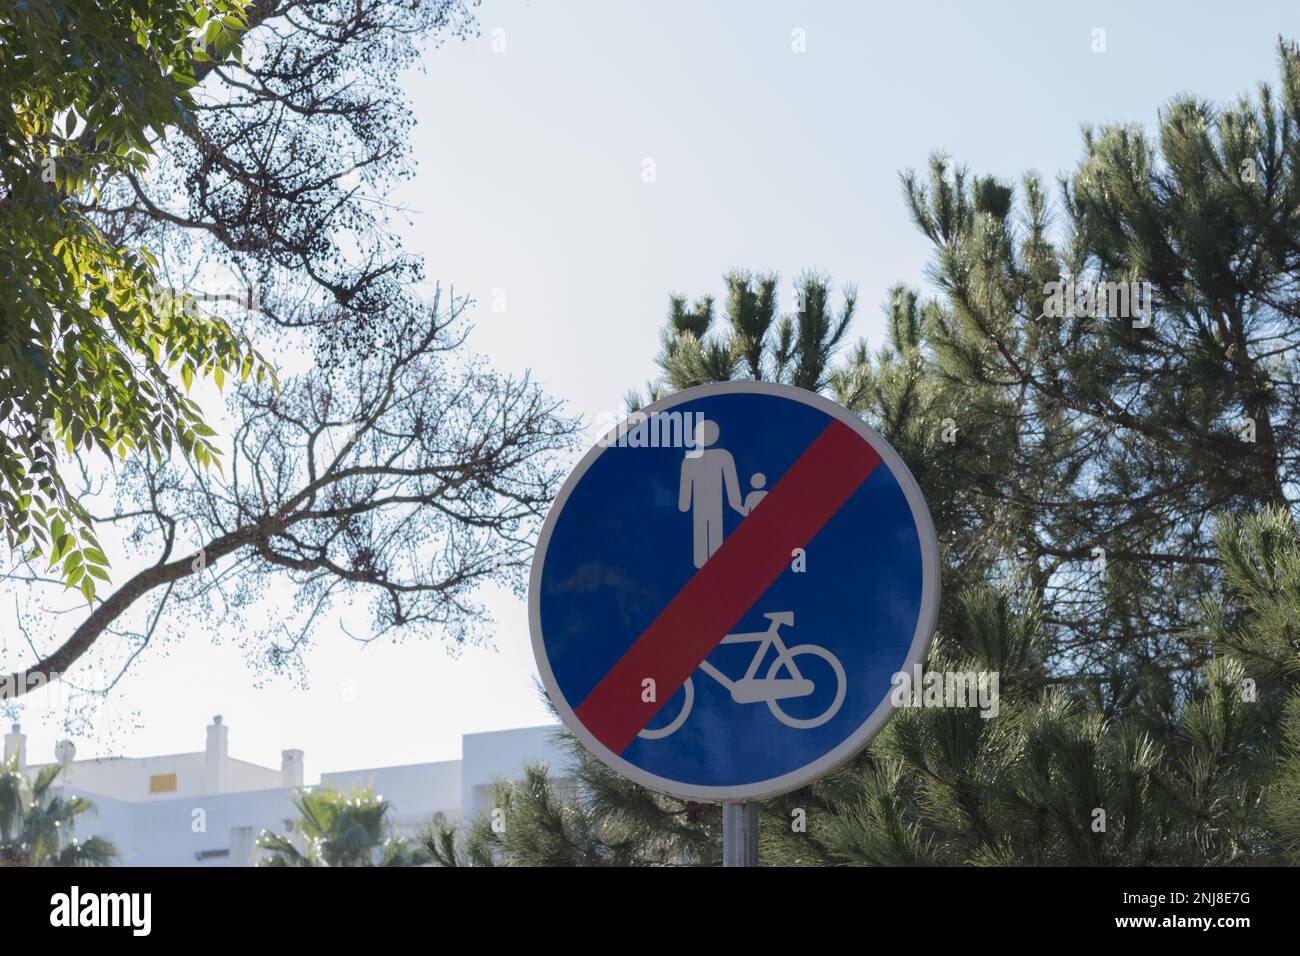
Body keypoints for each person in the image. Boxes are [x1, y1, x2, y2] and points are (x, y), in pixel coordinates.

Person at [678, 419, 743, 568]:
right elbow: (731, 484)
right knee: (710, 534)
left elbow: (731, 481)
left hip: (708, 504)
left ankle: (708, 568)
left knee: (708, 536)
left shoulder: (693, 459)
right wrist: (736, 503)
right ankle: (708, 568)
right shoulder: (721, 456)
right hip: (709, 505)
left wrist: (684, 505)